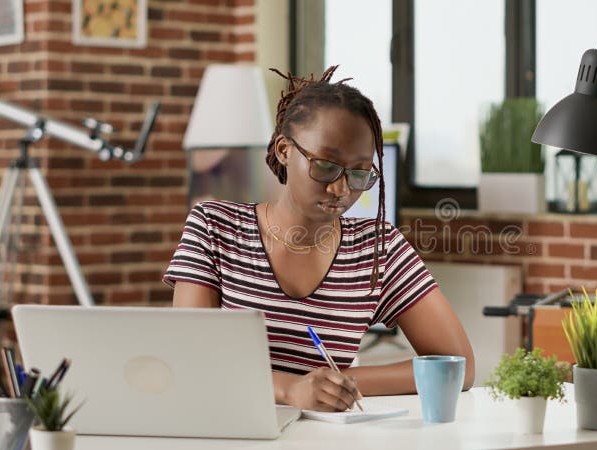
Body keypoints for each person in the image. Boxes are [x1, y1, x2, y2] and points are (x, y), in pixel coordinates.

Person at [164, 66, 475, 412]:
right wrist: (289, 388)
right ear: (284, 150)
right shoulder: (214, 227)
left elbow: (458, 366)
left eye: (359, 173)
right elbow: (189, 361)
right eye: (326, 166)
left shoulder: (380, 249)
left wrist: (340, 384)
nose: (340, 190)